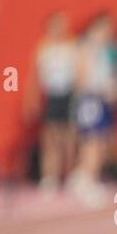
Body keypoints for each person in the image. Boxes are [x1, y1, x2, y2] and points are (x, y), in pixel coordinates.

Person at [69, 13, 117, 206]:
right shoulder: (85, 47)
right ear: (95, 29)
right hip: (90, 100)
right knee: (91, 140)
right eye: (106, 29)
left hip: (101, 98)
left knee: (100, 141)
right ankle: (85, 179)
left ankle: (90, 177)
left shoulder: (103, 49)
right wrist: (100, 89)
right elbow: (81, 78)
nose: (109, 33)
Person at [31, 10, 78, 192]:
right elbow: (34, 76)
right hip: (51, 95)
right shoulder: (43, 47)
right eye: (55, 24)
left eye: (62, 23)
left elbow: (80, 72)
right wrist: (33, 99)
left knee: (68, 137)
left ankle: (69, 175)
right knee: (50, 138)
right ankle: (49, 177)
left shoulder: (71, 45)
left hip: (68, 94)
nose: (59, 28)